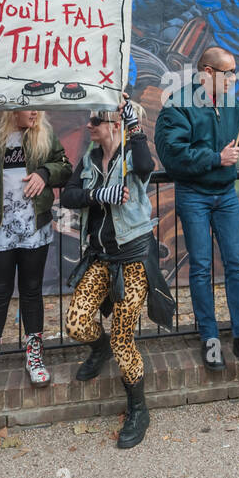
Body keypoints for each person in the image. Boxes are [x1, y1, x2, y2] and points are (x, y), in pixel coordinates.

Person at [154, 46, 239, 372]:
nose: (233, 79)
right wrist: (216, 159)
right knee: (201, 267)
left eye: (234, 72)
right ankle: (210, 337)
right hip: (193, 194)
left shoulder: (230, 101)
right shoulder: (178, 104)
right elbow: (172, 154)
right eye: (228, 73)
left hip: (226, 194)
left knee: (237, 266)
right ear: (207, 73)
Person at [60, 99, 158, 448]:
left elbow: (146, 166)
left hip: (132, 260)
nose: (90, 124)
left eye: (97, 120)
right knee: (76, 323)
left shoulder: (132, 154)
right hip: (100, 258)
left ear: (114, 124)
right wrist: (99, 193)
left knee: (123, 337)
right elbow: (69, 196)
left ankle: (138, 409)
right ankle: (97, 349)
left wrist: (135, 127)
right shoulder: (88, 159)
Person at [0, 110, 71, 390]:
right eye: (29, 106)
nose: (36, 112)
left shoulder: (44, 133)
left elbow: (65, 167)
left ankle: (35, 357)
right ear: (11, 106)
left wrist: (45, 173)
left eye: (39, 106)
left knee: (32, 290)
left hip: (34, 227)